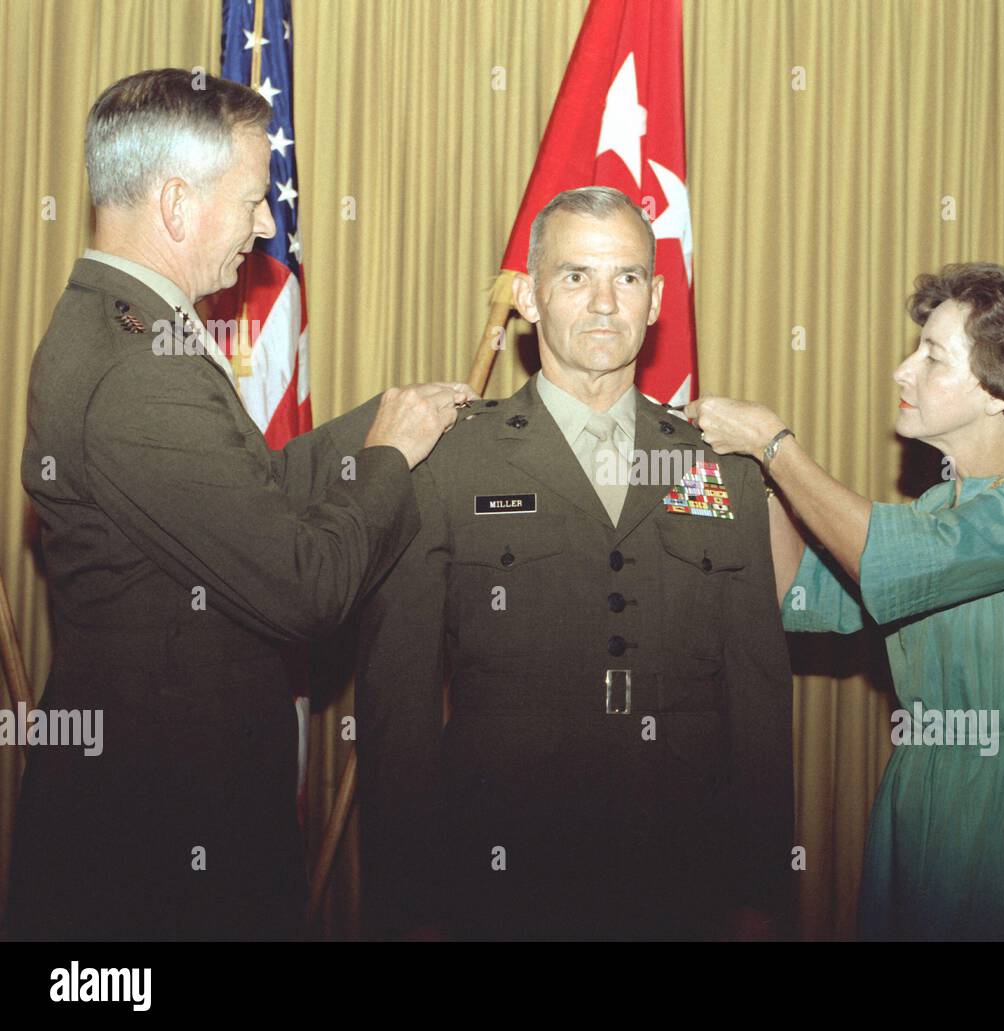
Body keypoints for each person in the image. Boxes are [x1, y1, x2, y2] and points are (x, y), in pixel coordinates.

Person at [6, 68, 472, 941]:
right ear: (177, 204)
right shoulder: (138, 372)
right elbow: (302, 585)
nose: (267, 225)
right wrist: (389, 461)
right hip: (161, 852)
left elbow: (238, 497)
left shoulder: (123, 324)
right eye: (255, 200)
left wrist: (370, 428)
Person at [353, 187, 794, 940]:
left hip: (681, 880)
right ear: (528, 296)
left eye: (626, 278)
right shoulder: (449, 457)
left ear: (655, 300)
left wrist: (759, 893)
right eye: (575, 276)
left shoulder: (719, 463)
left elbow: (757, 690)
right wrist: (409, 904)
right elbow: (399, 698)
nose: (602, 303)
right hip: (503, 874)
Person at [687, 262, 1004, 940]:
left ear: (1002, 389)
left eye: (932, 356)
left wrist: (774, 442)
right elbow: (800, 594)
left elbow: (892, 559)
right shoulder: (937, 506)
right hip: (916, 788)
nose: (902, 371)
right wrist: (750, 476)